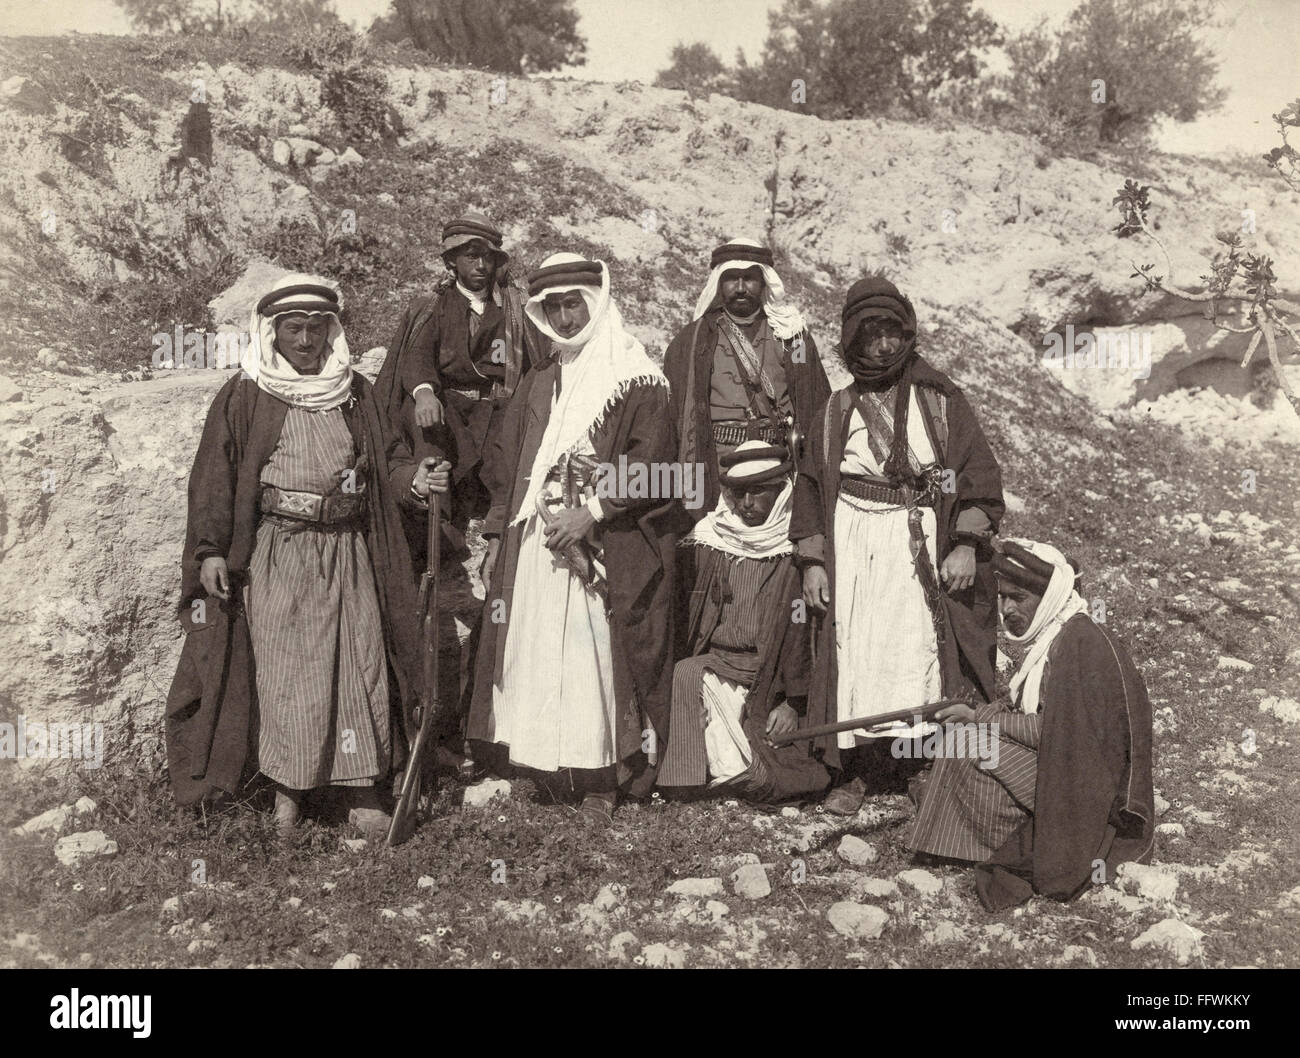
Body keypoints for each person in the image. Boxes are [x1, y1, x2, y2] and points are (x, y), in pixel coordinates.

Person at [165, 274, 446, 836]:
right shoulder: (246, 395)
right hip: (279, 552)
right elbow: (214, 480)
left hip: (347, 551)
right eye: (294, 329)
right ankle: (289, 798)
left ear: (331, 331)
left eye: (316, 329)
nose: (306, 341)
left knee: (357, 662)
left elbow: (386, 462)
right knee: (288, 673)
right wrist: (210, 552)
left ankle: (361, 792)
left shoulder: (356, 392)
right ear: (272, 333)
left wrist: (415, 480)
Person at [467, 254, 678, 824]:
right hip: (537, 539)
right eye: (552, 306)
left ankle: (601, 777)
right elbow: (510, 465)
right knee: (536, 649)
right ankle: (542, 764)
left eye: (572, 303)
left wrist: (593, 512)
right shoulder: (540, 379)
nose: (563, 316)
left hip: (604, 543)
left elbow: (658, 464)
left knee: (590, 658)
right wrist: (495, 537)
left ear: (597, 300)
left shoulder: (637, 377)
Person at [791, 276, 1005, 816]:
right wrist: (813, 561)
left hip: (918, 539)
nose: (884, 345)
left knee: (914, 649)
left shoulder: (941, 400)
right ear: (852, 342)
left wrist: (964, 544)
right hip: (855, 538)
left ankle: (914, 766)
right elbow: (811, 488)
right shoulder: (836, 410)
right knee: (859, 649)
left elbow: (977, 477)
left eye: (892, 332)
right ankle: (861, 771)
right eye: (871, 334)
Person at [908, 539, 1155, 910]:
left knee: (968, 744)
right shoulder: (1058, 634)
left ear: (1050, 596)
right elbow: (1037, 713)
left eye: (1018, 598)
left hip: (1081, 789)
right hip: (1059, 764)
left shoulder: (1075, 646)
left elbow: (1050, 733)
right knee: (964, 739)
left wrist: (981, 717)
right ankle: (959, 834)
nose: (1007, 609)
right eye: (1003, 597)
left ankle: (1002, 841)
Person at [373, 211, 542, 747]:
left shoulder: (516, 312)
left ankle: (497, 534)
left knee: (511, 476)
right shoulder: (432, 308)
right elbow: (414, 363)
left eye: (486, 255)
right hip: (448, 418)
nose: (478, 263)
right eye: (467, 255)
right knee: (429, 447)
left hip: (499, 418)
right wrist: (424, 392)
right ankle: (434, 534)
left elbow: (538, 368)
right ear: (450, 262)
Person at [658, 440, 829, 802]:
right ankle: (693, 776)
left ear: (781, 490)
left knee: (768, 768)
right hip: (718, 663)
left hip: (768, 675)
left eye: (758, 493)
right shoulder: (710, 539)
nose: (746, 504)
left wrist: (793, 702)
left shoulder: (798, 553)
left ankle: (738, 770)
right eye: (738, 494)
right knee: (686, 673)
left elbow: (806, 638)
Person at [663, 237, 829, 523]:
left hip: (778, 460)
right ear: (719, 283)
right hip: (717, 463)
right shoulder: (691, 341)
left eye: (749, 278)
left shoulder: (793, 336)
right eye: (731, 279)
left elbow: (809, 387)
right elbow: (672, 414)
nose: (740, 288)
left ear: (764, 282)